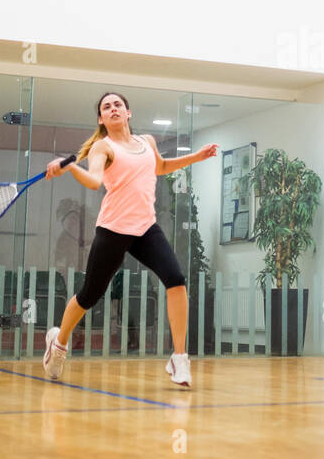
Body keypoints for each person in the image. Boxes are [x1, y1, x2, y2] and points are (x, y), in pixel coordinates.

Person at [41, 91, 218, 387]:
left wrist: (197, 157)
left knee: (175, 279)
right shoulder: (102, 147)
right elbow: (95, 180)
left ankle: (179, 358)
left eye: (117, 105)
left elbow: (160, 167)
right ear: (101, 118)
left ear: (128, 112)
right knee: (89, 295)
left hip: (146, 227)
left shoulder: (147, 142)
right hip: (113, 229)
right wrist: (71, 167)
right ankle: (58, 344)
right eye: (106, 107)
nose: (113, 109)